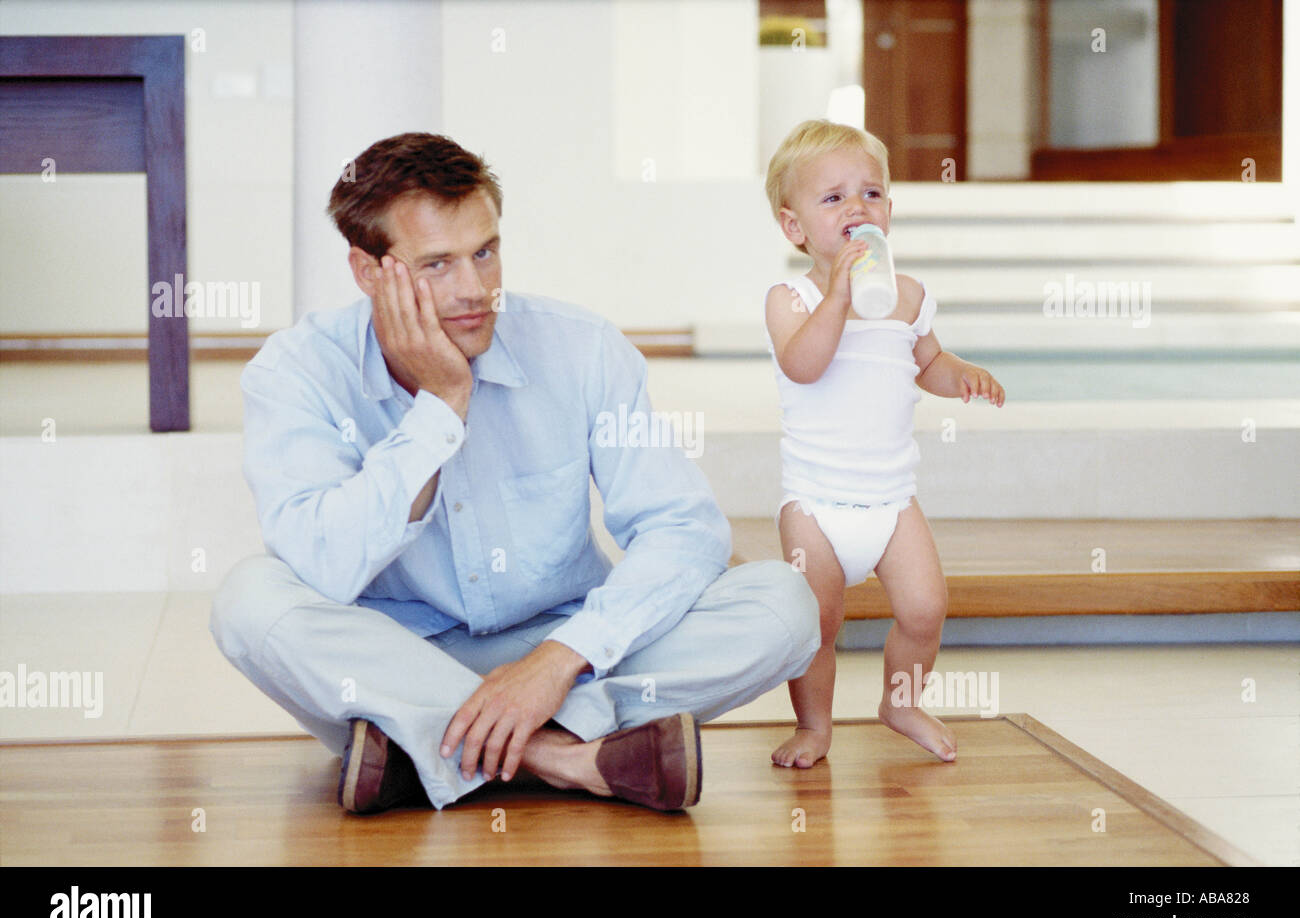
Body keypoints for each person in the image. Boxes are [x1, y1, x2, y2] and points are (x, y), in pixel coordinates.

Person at [210, 132, 819, 813]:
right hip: (398, 657)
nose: (475, 290)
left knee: (783, 605)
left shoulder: (582, 349)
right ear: (367, 270)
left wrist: (559, 660)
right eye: (437, 264)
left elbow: (684, 529)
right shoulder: (297, 372)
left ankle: (424, 753)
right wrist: (441, 407)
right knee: (249, 602)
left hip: (566, 653)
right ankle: (567, 759)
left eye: (486, 252)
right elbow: (322, 564)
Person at [762, 119, 1005, 769]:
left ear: (889, 212)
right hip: (815, 504)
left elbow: (927, 361)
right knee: (817, 621)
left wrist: (962, 377)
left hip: (891, 499)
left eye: (870, 193)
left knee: (926, 610)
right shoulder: (792, 299)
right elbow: (804, 365)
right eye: (833, 198)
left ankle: (899, 702)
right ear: (795, 228)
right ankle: (814, 726)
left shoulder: (909, 296)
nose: (857, 208)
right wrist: (838, 295)